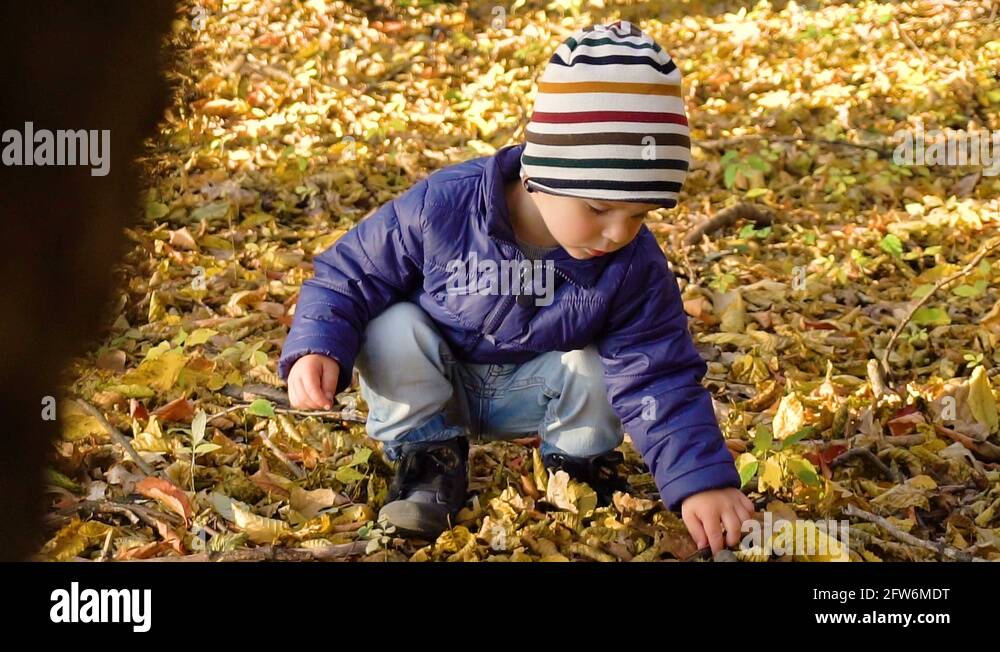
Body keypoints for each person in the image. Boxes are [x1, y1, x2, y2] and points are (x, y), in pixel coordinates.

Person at [279, 20, 754, 554]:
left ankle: (577, 465)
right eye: (598, 208)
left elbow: (657, 369)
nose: (619, 232)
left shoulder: (631, 263)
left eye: (640, 214)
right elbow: (350, 273)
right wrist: (317, 348)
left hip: (539, 390)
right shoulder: (446, 208)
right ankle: (428, 461)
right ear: (538, 175)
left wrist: (702, 480)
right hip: (439, 379)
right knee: (390, 325)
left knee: (601, 356)